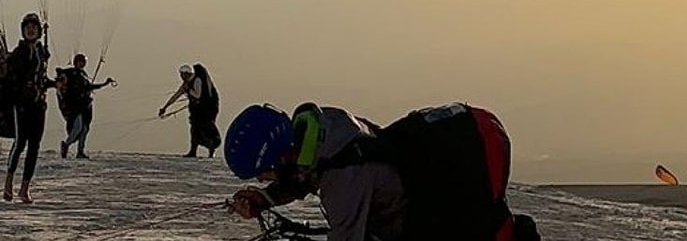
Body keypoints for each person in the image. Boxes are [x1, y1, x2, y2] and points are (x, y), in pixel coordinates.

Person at [224, 102, 541, 241]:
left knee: (479, 229)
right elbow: (308, 172)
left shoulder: (344, 181)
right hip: (475, 132)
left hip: (480, 146)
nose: (263, 179)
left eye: (263, 174)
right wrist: (265, 198)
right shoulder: (322, 129)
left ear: (278, 158)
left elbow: (346, 232)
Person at [1, 12, 54, 203]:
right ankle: (8, 182)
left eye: (34, 27)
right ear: (23, 31)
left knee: (34, 146)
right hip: (21, 105)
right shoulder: (19, 53)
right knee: (20, 143)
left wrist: (55, 84)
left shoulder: (41, 52)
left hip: (39, 106)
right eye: (27, 27)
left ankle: (24, 188)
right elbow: (12, 81)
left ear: (39, 31)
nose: (31, 30)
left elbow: (41, 79)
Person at [55, 53, 115, 159]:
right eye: (79, 62)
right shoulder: (70, 73)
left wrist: (105, 84)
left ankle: (80, 151)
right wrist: (60, 73)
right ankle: (66, 144)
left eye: (82, 62)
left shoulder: (84, 75)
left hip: (85, 106)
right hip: (74, 106)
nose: (81, 64)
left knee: (85, 129)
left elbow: (89, 86)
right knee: (77, 127)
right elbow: (61, 77)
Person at [158, 63, 221, 157]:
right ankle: (193, 151)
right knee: (194, 129)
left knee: (206, 128)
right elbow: (176, 96)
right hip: (197, 110)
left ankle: (211, 149)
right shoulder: (186, 84)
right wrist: (165, 107)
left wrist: (188, 90)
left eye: (182, 74)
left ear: (187, 74)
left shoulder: (197, 80)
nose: (181, 77)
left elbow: (198, 95)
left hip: (208, 109)